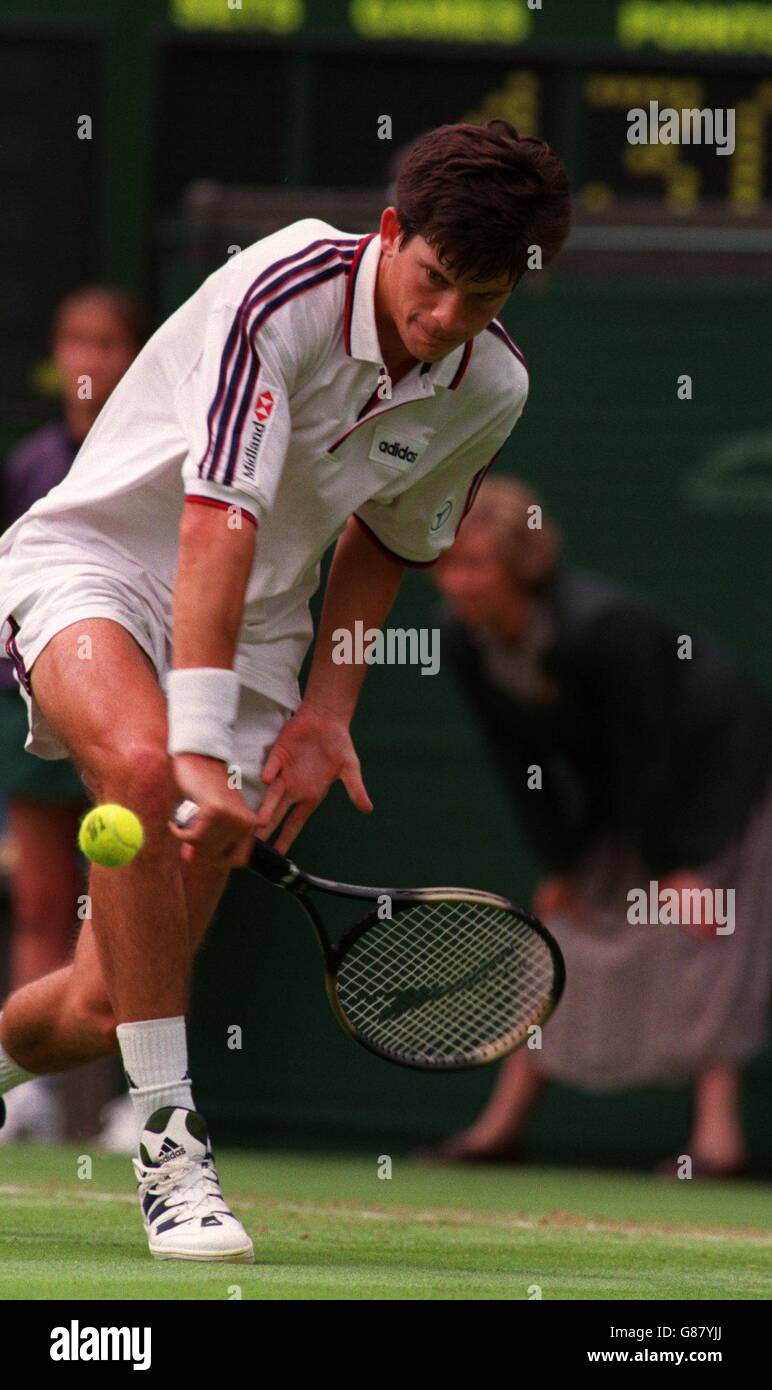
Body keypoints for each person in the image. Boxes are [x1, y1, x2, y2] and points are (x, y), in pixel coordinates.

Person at [0, 121, 572, 1261]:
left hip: (262, 631)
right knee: (145, 763)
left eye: (485, 295)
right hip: (100, 565)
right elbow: (221, 518)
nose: (446, 320)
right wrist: (203, 748)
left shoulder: (490, 384)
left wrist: (325, 711)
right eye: (434, 283)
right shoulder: (282, 288)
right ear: (391, 233)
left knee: (105, 1006)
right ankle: (171, 1148)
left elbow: (385, 538)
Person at [425, 476, 772, 1176]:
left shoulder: (600, 628)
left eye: (473, 565)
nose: (453, 583)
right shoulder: (462, 640)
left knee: (708, 940)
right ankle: (501, 1130)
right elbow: (516, 761)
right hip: (633, 792)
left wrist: (685, 867)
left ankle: (717, 1142)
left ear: (519, 565)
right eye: (445, 563)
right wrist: (559, 865)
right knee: (562, 935)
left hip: (722, 778)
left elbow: (648, 751)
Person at [0, 287, 146, 1143]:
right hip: (24, 701)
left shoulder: (151, 453)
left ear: (134, 358)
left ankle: (140, 1099)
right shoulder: (28, 464)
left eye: (108, 342)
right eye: (76, 342)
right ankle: (30, 1099)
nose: (91, 360)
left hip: (125, 700)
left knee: (137, 903)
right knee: (45, 901)